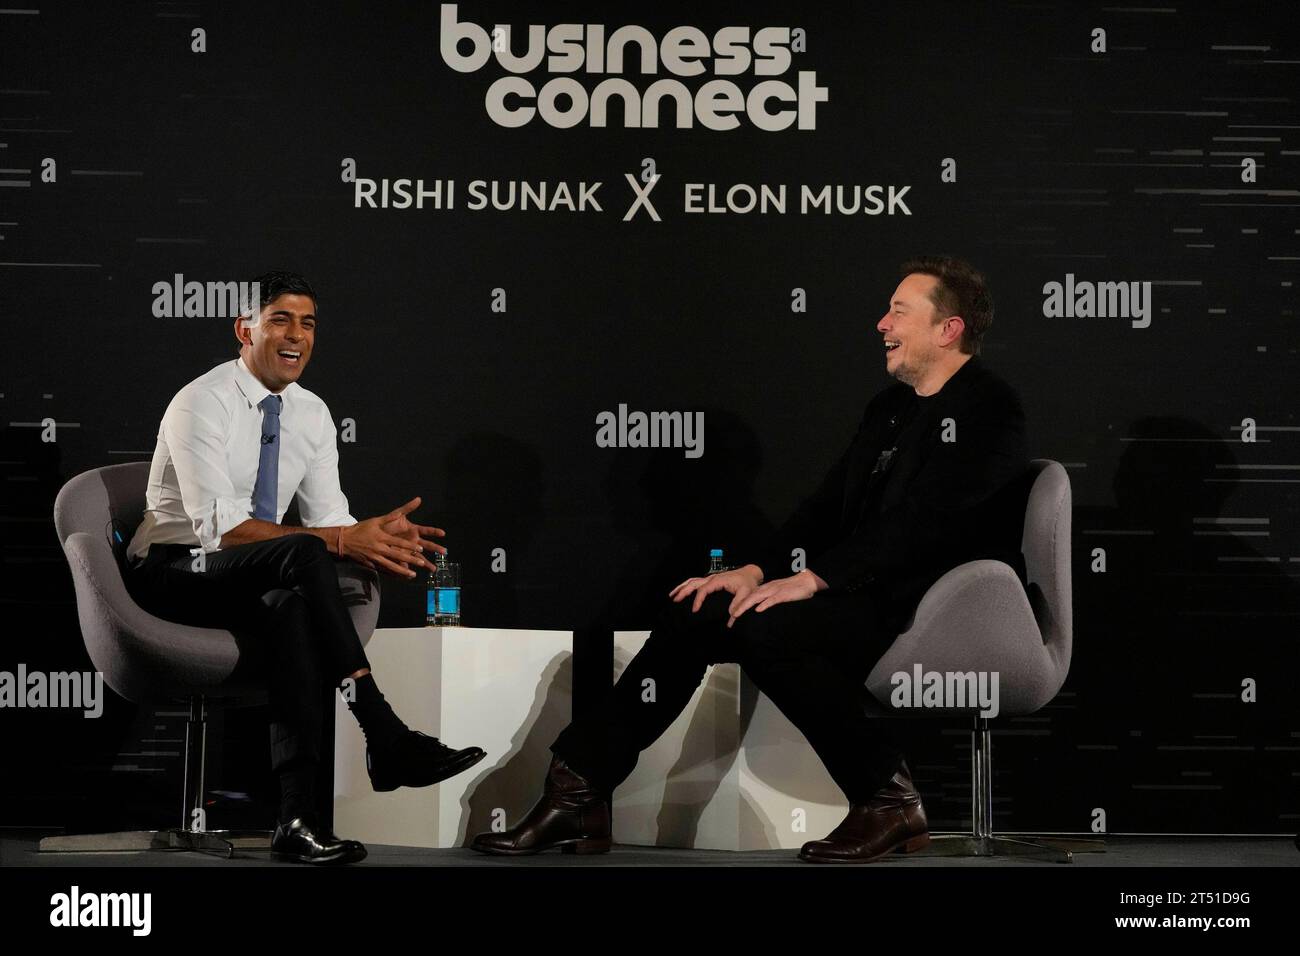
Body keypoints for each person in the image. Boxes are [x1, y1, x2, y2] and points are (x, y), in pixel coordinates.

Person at [472, 255, 1028, 862]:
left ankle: (888, 798)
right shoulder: (889, 409)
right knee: (705, 606)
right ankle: (578, 793)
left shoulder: (989, 409)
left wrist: (814, 579)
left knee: (764, 628)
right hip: (860, 589)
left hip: (933, 602)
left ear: (948, 329)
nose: (880, 324)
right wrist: (755, 571)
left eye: (898, 311)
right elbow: (823, 508)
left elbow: (928, 526)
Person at [124, 271, 485, 865]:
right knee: (309, 553)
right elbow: (221, 530)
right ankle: (382, 728)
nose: (297, 336)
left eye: (308, 323)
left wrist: (368, 537)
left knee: (293, 607)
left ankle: (295, 818)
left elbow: (329, 518)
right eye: (280, 320)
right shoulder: (201, 401)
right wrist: (343, 539)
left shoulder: (312, 413)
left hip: (249, 574)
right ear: (245, 329)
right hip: (172, 569)